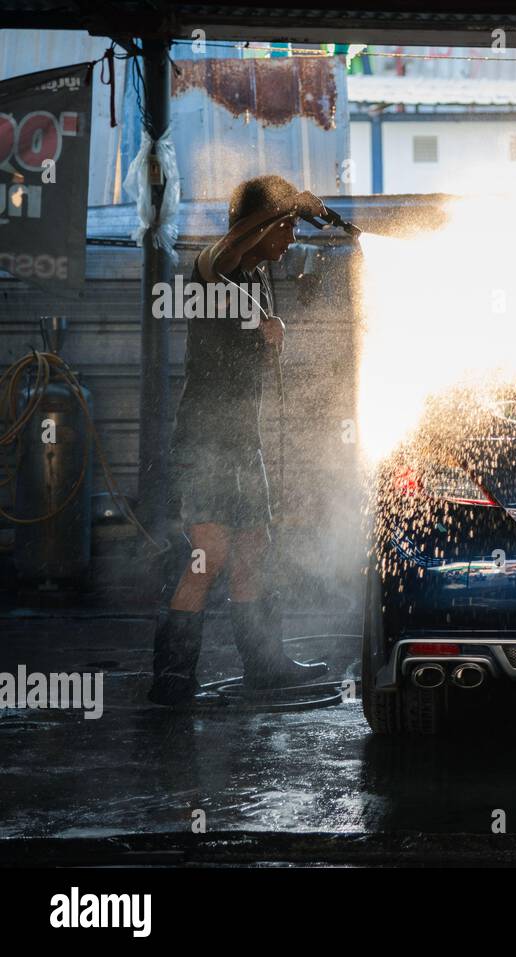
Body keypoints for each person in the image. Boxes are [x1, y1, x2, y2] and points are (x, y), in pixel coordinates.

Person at [148, 175, 330, 706]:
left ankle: (265, 666)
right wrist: (286, 203)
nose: (292, 239)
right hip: (206, 434)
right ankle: (173, 680)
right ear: (266, 224)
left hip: (241, 436)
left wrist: (271, 335)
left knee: (254, 547)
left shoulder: (256, 277)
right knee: (213, 552)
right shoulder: (212, 265)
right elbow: (228, 252)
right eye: (288, 226)